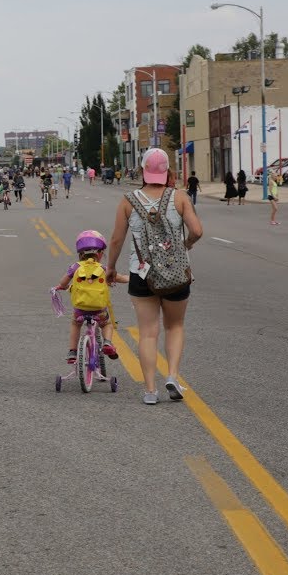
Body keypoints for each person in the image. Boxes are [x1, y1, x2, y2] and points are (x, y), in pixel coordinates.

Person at [106, 148, 203, 406]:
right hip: (176, 273)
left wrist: (111, 267)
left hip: (141, 274)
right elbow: (197, 230)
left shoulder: (128, 200)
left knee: (148, 333)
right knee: (175, 326)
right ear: (168, 171)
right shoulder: (180, 197)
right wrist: (185, 246)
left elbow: (116, 239)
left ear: (142, 171)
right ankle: (171, 375)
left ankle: (150, 390)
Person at [53, 230, 127, 365]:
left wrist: (61, 287)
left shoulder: (75, 267)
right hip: (99, 310)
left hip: (80, 310)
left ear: (80, 254)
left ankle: (72, 352)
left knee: (76, 324)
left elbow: (63, 283)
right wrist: (131, 278)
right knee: (106, 324)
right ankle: (107, 343)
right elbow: (120, 278)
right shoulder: (103, 268)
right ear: (100, 254)